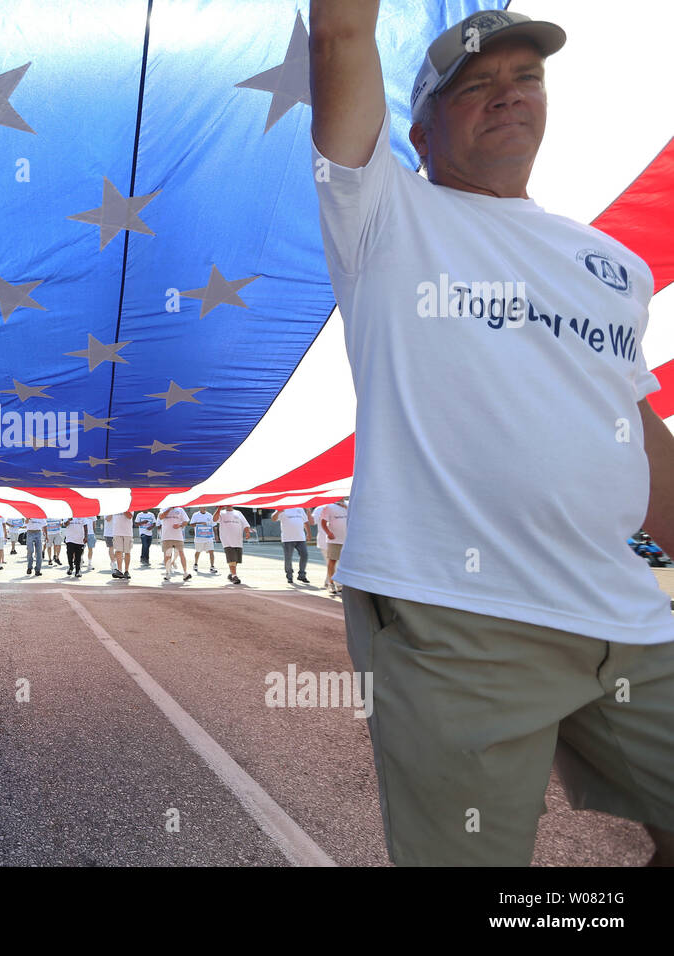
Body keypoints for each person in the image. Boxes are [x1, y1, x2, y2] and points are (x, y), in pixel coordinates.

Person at [310, 4, 674, 865]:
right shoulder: (383, 213)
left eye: (526, 78)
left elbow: (635, 432)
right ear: (422, 133)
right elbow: (340, 38)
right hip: (458, 619)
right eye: (475, 85)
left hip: (624, 612)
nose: (507, 95)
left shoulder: (615, 266)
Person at [213, 505, 251, 584]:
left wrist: (247, 532)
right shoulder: (222, 513)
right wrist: (219, 508)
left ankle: (231, 573)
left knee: (236, 560)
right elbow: (214, 519)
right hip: (227, 540)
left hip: (237, 540)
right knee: (232, 559)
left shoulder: (238, 513)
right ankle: (234, 576)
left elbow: (245, 524)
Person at [319, 498, 349, 596]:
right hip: (335, 539)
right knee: (332, 561)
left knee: (345, 563)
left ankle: (341, 584)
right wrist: (328, 533)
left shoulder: (349, 504)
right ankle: (331, 583)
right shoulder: (329, 507)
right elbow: (323, 522)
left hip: (348, 540)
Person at [276, 507, 312, 585]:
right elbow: (273, 519)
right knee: (288, 558)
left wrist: (308, 533)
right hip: (287, 539)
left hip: (300, 538)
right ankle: (289, 576)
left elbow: (305, 522)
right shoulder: (282, 507)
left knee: (304, 555)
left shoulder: (300, 509)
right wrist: (278, 512)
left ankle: (301, 575)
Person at [158, 506, 191, 582]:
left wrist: (180, 525)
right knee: (167, 555)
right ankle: (167, 572)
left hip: (178, 537)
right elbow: (161, 517)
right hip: (166, 536)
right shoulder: (162, 509)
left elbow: (186, 521)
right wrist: (169, 509)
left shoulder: (180, 510)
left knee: (181, 553)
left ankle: (185, 573)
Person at [108, 509, 134, 579]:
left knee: (127, 552)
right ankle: (120, 571)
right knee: (118, 551)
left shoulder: (129, 506)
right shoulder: (115, 506)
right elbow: (108, 518)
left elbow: (129, 516)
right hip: (117, 532)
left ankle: (126, 571)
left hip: (127, 533)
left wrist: (123, 508)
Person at [189, 508, 217, 573]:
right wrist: (200, 523)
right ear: (199, 507)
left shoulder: (209, 515)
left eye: (205, 507)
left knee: (211, 551)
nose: (204, 508)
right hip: (199, 538)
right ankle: (195, 564)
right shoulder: (195, 515)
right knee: (198, 551)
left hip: (209, 537)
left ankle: (212, 566)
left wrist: (216, 535)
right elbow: (191, 524)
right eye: (202, 507)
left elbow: (214, 525)